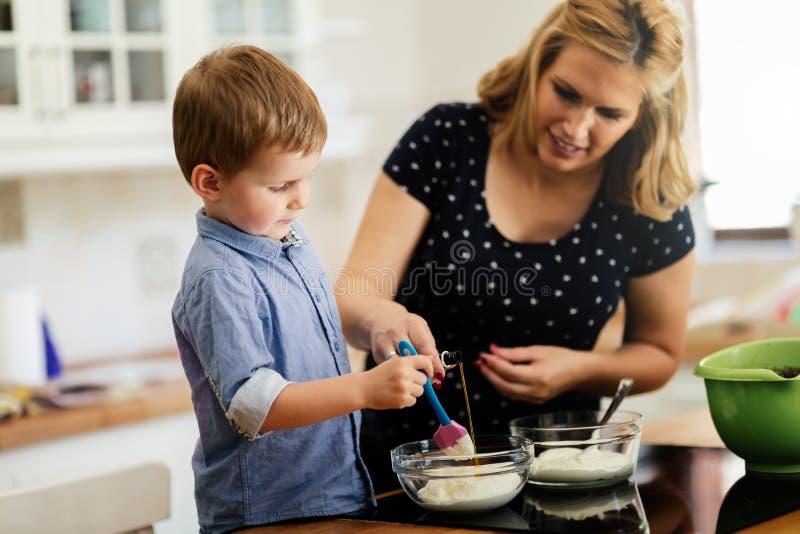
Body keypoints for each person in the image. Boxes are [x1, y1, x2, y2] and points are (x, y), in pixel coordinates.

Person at [337, 0, 697, 492]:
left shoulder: (646, 196)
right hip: (407, 473)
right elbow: (352, 296)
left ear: (641, 116)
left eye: (609, 114)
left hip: (557, 475)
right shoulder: (446, 140)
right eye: (566, 93)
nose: (576, 127)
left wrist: (579, 370)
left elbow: (657, 352)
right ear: (539, 63)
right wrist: (380, 319)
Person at [170, 45, 441, 532]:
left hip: (330, 496)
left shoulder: (285, 236)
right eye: (279, 186)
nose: (301, 198)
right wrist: (365, 389)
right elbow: (256, 405)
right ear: (209, 182)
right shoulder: (219, 278)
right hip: (270, 514)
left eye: (307, 176)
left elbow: (308, 326)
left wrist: (376, 327)